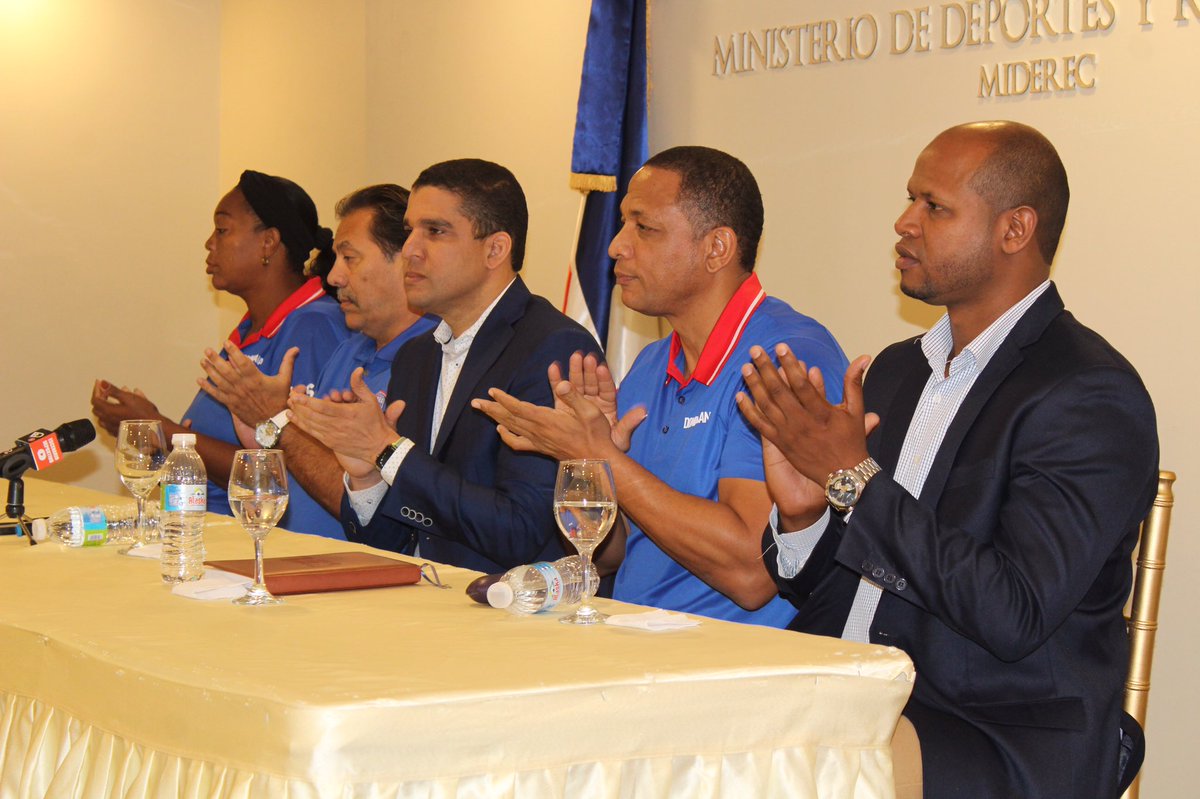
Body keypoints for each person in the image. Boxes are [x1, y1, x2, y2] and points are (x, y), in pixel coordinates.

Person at [736, 121, 1158, 798]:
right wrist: (806, 515)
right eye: (910, 200)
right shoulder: (900, 372)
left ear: (1014, 229)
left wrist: (855, 479)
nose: (904, 223)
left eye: (934, 207)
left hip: (990, 734)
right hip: (858, 698)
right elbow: (851, 589)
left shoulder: (1086, 393)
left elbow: (1012, 611)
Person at [474, 146, 848, 627]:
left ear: (716, 248)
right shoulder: (652, 364)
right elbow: (608, 557)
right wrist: (590, 470)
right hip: (634, 639)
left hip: (734, 666)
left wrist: (604, 457)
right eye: (624, 224)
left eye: (643, 228)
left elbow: (754, 574)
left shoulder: (781, 358)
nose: (616, 246)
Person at [286, 159, 600, 572]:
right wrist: (367, 477)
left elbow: (521, 532)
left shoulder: (551, 348)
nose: (411, 250)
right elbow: (393, 541)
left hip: (511, 615)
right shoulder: (417, 357)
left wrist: (390, 451)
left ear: (495, 249)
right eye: (409, 231)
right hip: (425, 609)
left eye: (435, 231)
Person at [92, 170, 350, 520]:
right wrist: (150, 427)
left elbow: (292, 468)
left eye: (223, 229)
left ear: (269, 242)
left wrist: (163, 430)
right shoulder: (248, 331)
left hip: (264, 544)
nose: (209, 243)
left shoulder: (314, 326)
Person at [195, 184, 437, 538]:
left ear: (404, 260)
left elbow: (376, 506)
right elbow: (307, 463)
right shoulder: (351, 349)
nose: (334, 276)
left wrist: (276, 423)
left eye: (350, 258)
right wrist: (262, 434)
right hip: (295, 557)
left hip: (356, 574)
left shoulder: (432, 358)